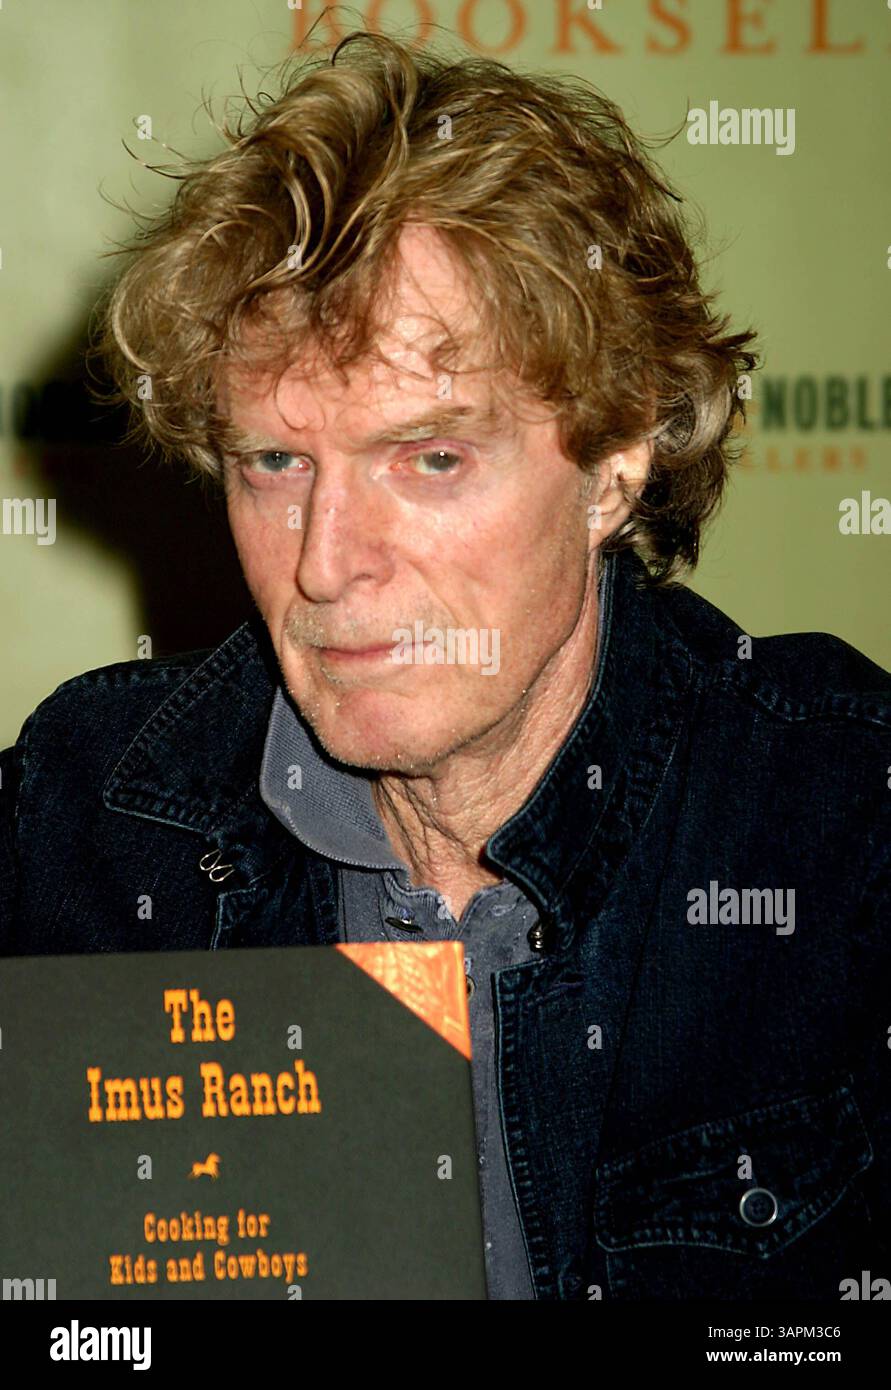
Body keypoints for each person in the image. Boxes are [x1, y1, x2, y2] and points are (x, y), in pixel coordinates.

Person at [1, 30, 889, 1301]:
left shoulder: (840, 820)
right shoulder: (85, 821)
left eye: (428, 458)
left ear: (615, 458)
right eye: (276, 464)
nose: (326, 564)